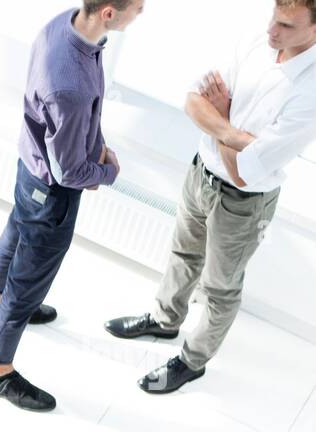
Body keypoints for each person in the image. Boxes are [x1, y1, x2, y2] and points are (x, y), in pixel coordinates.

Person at [106, 0, 316, 394]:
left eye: (286, 25)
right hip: (200, 172)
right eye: (273, 16)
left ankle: (193, 360)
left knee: (220, 289)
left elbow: (244, 172)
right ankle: (165, 321)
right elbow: (192, 100)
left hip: (242, 202)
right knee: (183, 256)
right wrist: (236, 131)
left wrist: (221, 116)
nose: (272, 31)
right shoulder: (257, 40)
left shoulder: (310, 93)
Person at [0, 1, 146, 413]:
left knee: (16, 229)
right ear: (109, 12)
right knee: (29, 281)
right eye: (137, 9)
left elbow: (78, 121)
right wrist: (106, 172)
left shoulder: (64, 25)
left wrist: (96, 145)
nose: (139, 15)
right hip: (52, 192)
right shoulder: (69, 84)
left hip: (29, 167)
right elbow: (70, 171)